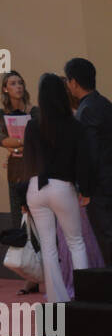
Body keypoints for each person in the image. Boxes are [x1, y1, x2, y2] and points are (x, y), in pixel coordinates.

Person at [21, 73, 94, 304]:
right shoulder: (74, 125)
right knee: (76, 242)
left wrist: (23, 197)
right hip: (62, 187)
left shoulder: (32, 126)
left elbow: (28, 163)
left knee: (48, 247)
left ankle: (56, 298)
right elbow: (83, 161)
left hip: (36, 187)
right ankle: (85, 298)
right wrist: (86, 190)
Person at [63, 57, 112, 266]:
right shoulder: (106, 104)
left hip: (100, 189)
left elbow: (89, 154)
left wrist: (86, 190)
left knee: (110, 245)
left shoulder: (86, 110)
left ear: (73, 82)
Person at [1, 69, 38, 222]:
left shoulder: (35, 112)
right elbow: (2, 139)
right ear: (5, 89)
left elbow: (39, 139)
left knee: (38, 216)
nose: (18, 87)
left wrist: (15, 146)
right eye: (13, 84)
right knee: (18, 219)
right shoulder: (2, 114)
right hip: (15, 170)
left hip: (34, 168)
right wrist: (24, 143)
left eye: (20, 83)